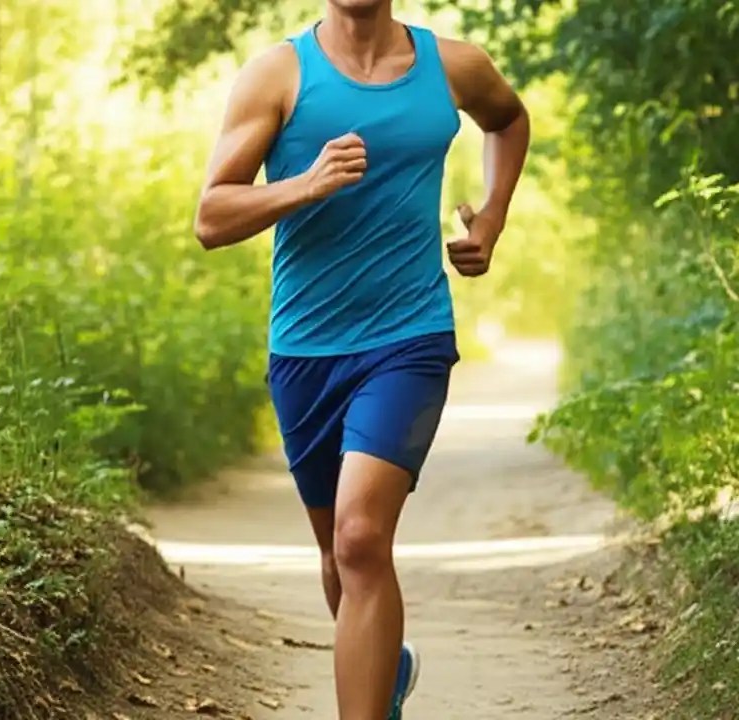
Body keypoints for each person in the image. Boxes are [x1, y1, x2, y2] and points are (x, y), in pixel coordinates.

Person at [192, 1, 530, 718]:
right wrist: (306, 185)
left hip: (409, 338)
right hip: (306, 349)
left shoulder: (452, 66)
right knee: (338, 559)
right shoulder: (279, 75)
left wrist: (493, 218)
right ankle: (387, 673)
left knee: (360, 536)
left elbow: (507, 119)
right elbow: (211, 217)